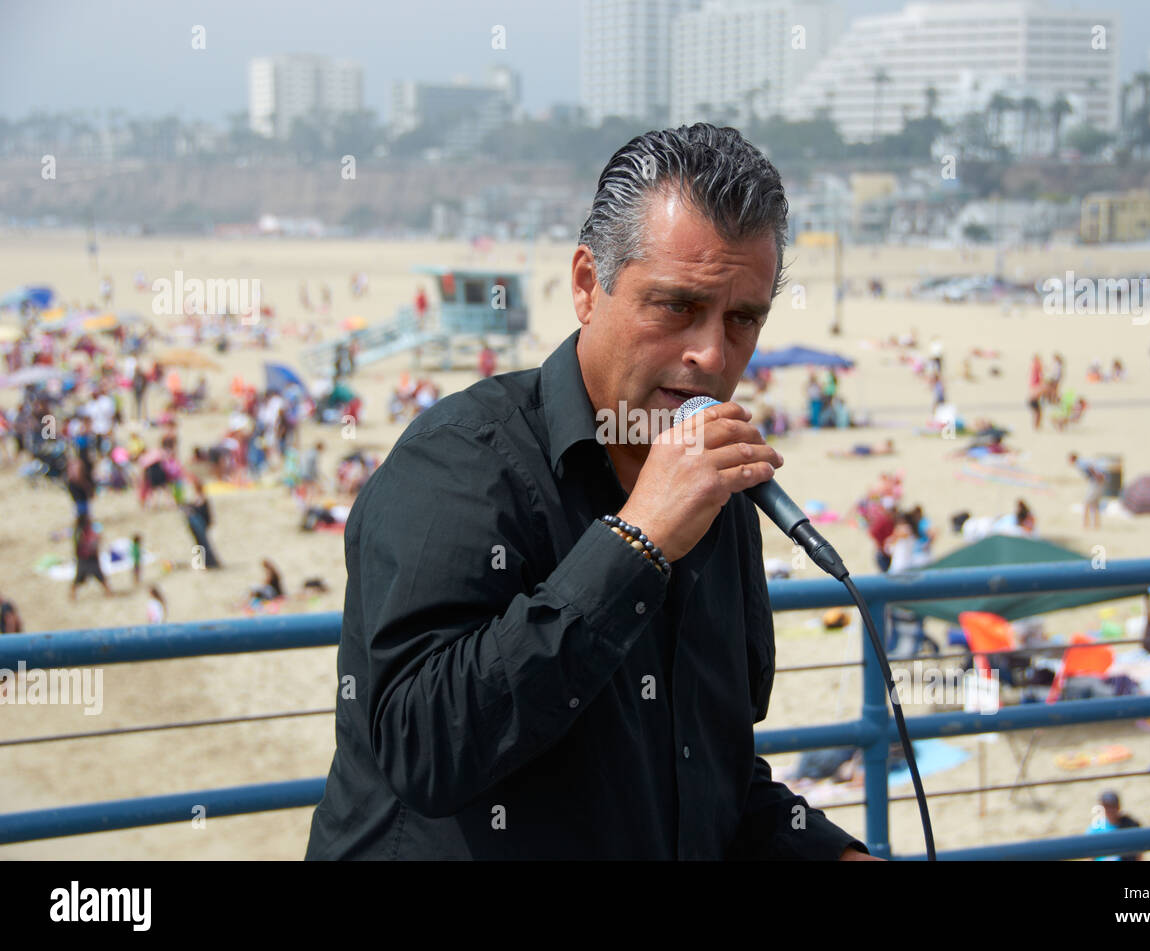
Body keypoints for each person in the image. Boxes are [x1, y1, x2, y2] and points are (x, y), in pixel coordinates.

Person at [306, 123, 874, 861]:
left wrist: (836, 855)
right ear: (585, 284)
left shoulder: (720, 488)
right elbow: (423, 748)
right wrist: (636, 542)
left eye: (742, 319)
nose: (709, 353)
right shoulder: (458, 462)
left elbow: (705, 776)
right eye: (675, 306)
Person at [1088, 790, 1142, 861]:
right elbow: (1090, 856)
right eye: (1106, 807)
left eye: (1112, 806)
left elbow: (1139, 855)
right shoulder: (1095, 828)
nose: (1109, 810)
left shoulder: (1130, 825)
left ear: (1118, 807)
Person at [71, 514, 112, 600]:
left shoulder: (82, 531)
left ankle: (108, 592)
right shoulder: (81, 532)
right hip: (86, 558)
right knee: (82, 577)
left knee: (86, 576)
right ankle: (72, 595)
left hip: (86, 557)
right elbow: (86, 544)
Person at [183, 483, 222, 569]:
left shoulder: (201, 499)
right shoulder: (199, 499)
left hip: (200, 525)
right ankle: (204, 563)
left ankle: (208, 563)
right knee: (201, 545)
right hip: (199, 525)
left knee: (202, 545)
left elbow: (205, 513)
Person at [1069, 452, 1105, 529]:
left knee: (1087, 503)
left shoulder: (1079, 463)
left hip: (1095, 482)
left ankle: (1086, 524)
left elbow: (1090, 468)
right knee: (1094, 504)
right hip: (1098, 482)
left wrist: (1097, 476)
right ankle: (1096, 525)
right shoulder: (1082, 461)